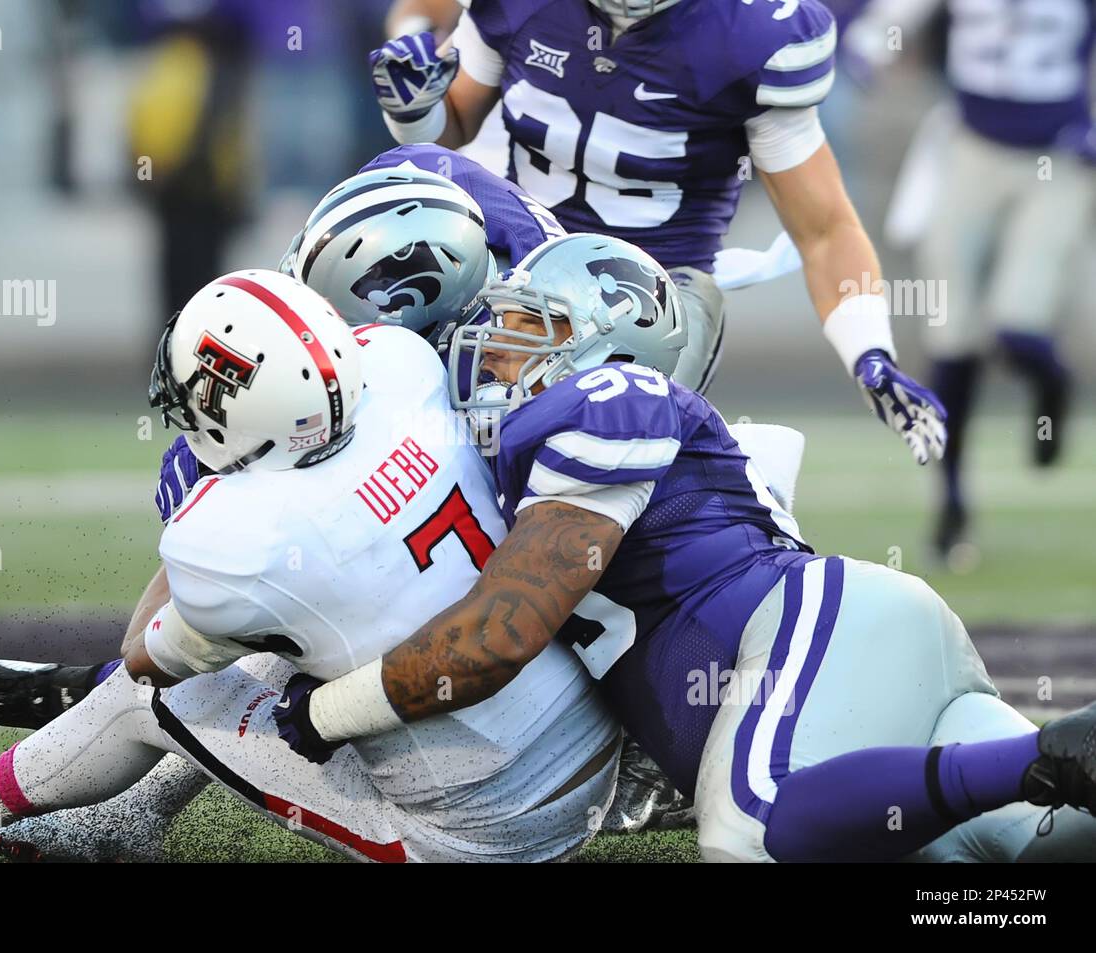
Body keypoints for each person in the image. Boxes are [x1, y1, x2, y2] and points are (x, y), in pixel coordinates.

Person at [272, 233, 1096, 862]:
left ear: (609, 350)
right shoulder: (520, 447)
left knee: (752, 833)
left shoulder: (608, 399)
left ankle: (1042, 750)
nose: (493, 346)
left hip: (811, 632)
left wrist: (321, 713)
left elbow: (499, 634)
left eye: (530, 326)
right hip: (856, 684)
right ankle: (1049, 758)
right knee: (1028, 850)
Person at [0, 269, 620, 863]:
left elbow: (143, 658)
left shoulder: (242, 541)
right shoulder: (408, 365)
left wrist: (203, 499)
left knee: (151, 701)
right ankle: (130, 816)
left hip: (482, 833)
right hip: (591, 750)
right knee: (303, 645)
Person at [369, 0, 948, 465]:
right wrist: (413, 108)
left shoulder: (746, 35)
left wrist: (870, 351)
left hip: (652, 298)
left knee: (593, 449)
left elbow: (823, 229)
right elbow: (454, 123)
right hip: (521, 268)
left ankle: (726, 506)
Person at [847, 0, 1095, 561]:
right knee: (951, 338)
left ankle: (1051, 382)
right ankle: (951, 502)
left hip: (1056, 160)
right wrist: (864, 52)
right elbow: (887, 24)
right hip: (968, 149)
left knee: (1019, 325)